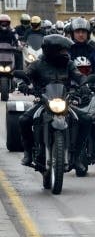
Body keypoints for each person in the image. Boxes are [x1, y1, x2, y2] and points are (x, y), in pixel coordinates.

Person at [17, 35, 88, 170]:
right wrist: (22, 84)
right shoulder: (38, 64)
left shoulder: (69, 64)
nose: (65, 53)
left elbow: (78, 76)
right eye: (62, 51)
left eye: (66, 51)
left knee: (86, 119)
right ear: (52, 51)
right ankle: (28, 153)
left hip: (64, 100)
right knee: (24, 120)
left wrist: (84, 84)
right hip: (43, 101)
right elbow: (26, 75)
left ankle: (77, 156)